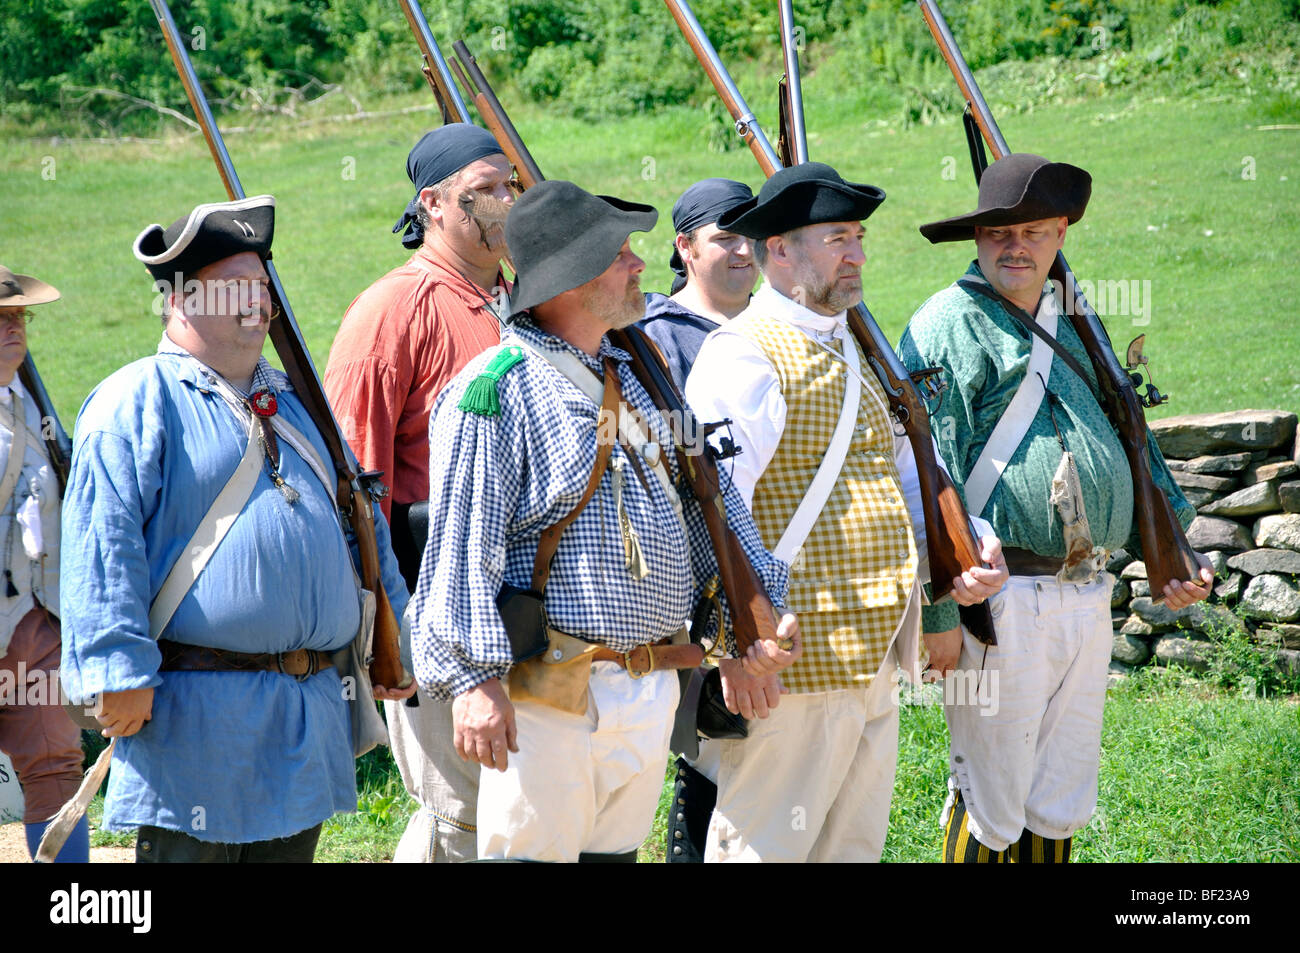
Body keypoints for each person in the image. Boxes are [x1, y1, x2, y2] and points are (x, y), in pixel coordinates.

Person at [408, 180, 800, 863]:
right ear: (571, 278)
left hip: (648, 683)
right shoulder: (494, 388)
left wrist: (752, 619)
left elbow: (710, 506)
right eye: (618, 253)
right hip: (546, 696)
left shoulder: (640, 374)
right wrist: (473, 682)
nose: (638, 265)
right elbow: (461, 551)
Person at [59, 196, 409, 862]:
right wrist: (115, 669)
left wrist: (399, 637)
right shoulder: (135, 401)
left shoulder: (299, 408)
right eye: (236, 286)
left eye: (262, 284)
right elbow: (102, 548)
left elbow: (360, 517)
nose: (259, 300)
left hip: (302, 721)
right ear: (180, 299)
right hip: (195, 729)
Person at [684, 162, 1007, 862]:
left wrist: (971, 541)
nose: (858, 254)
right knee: (763, 850)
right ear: (780, 250)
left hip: (870, 661)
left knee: (851, 851)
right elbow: (708, 514)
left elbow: (903, 476)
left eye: (857, 236)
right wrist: (733, 646)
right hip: (789, 666)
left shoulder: (855, 346)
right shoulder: (743, 355)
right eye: (838, 239)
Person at [898, 152, 1213, 862]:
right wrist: (941, 614)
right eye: (1001, 232)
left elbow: (1131, 437)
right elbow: (926, 474)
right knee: (991, 801)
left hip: (1084, 589)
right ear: (977, 239)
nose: (1017, 246)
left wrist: (1177, 551)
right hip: (1000, 595)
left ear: (1061, 236)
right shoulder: (948, 322)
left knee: (1058, 800)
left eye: (1035, 231)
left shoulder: (1075, 321)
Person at [324, 123, 514, 864]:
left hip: (522, 605)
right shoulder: (391, 312)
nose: (503, 203)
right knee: (465, 813)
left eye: (508, 187)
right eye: (483, 191)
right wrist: (387, 631)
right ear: (432, 203)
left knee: (496, 810)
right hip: (434, 602)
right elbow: (356, 487)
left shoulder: (523, 297)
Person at [0, 266, 86, 862]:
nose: (15, 328)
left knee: (56, 766)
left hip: (35, 617)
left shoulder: (25, 397)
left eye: (18, 317)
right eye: (0, 319)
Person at [638, 178, 756, 391]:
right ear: (685, 246)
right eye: (726, 238)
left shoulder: (784, 319)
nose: (745, 251)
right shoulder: (654, 334)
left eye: (752, 236)